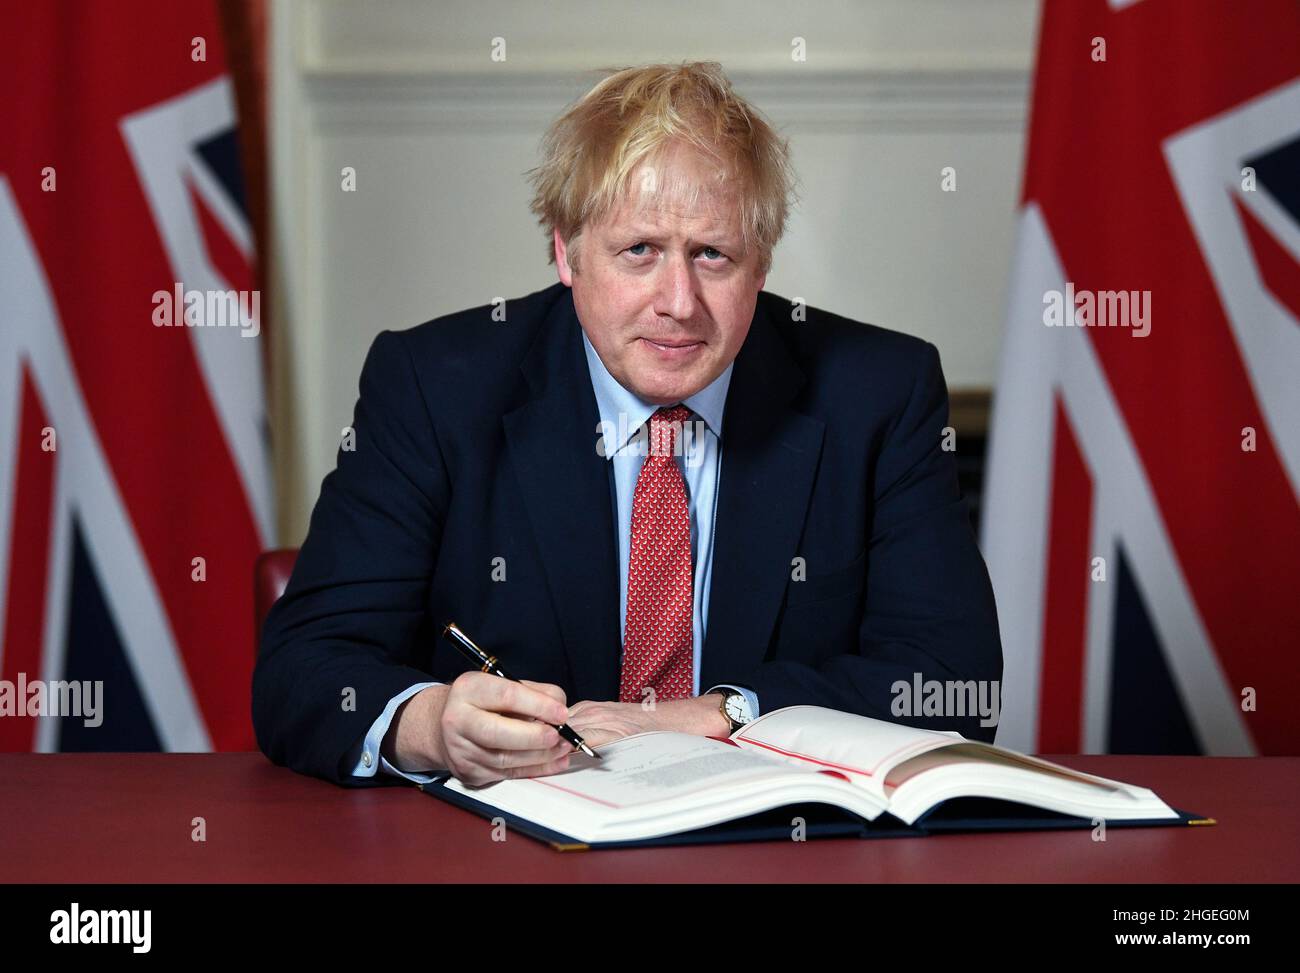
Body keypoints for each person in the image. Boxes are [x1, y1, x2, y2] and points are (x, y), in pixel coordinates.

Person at [253, 61, 1002, 789]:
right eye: (639, 251)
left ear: (763, 263)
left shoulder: (878, 393)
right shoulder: (435, 386)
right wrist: (432, 724)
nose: (678, 300)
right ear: (565, 251)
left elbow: (955, 681)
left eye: (713, 255)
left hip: (776, 853)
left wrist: (725, 712)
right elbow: (304, 667)